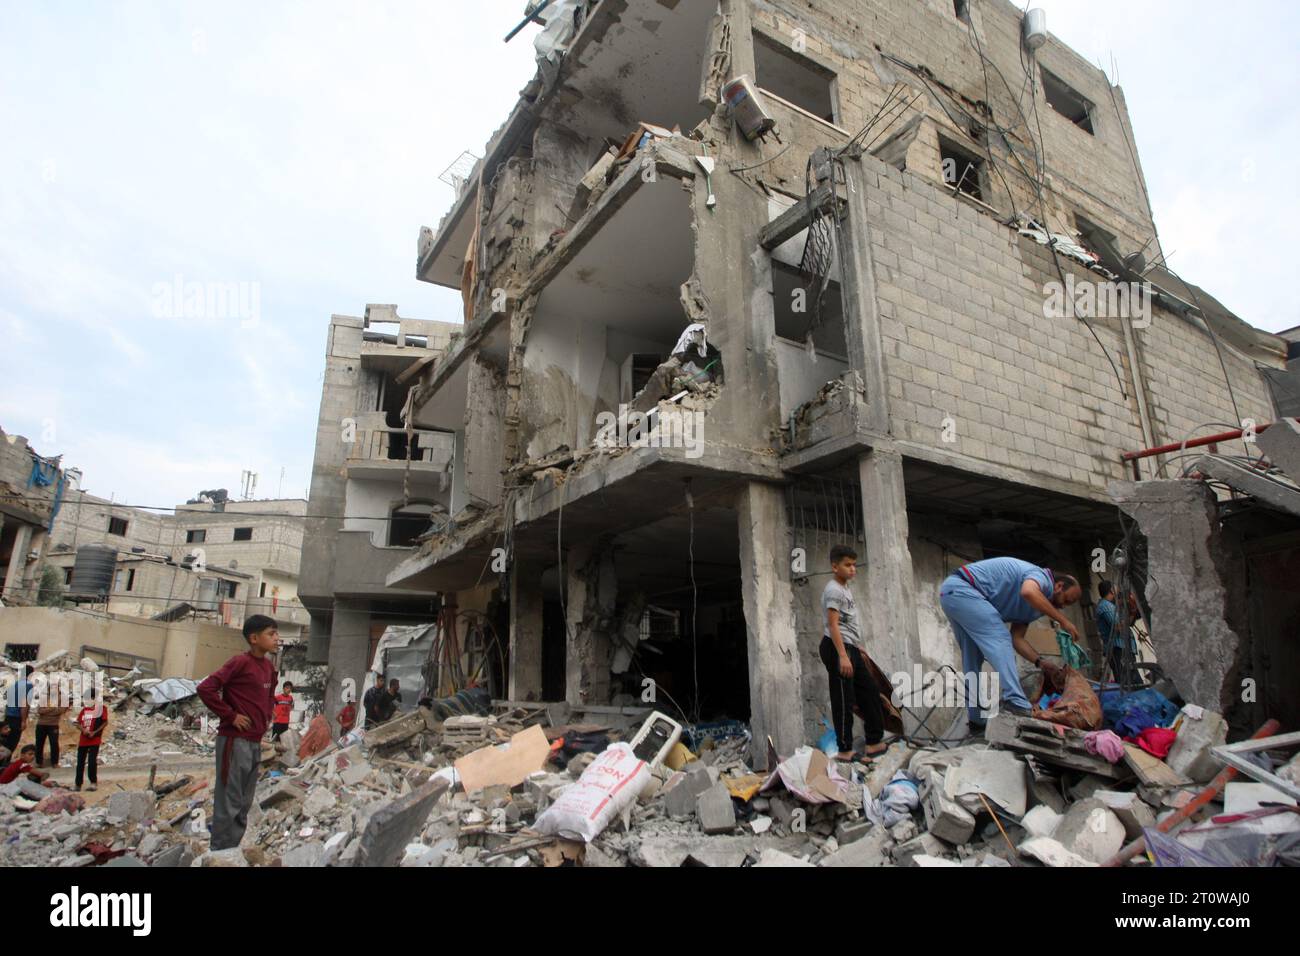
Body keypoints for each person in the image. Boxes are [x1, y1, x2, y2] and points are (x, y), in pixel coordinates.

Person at [940, 556, 1083, 733]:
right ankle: (1016, 701)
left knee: (973, 660)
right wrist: (1064, 622)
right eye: (1067, 600)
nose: (1064, 607)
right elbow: (1028, 592)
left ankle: (976, 720)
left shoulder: (1034, 608)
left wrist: (1041, 662)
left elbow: (1017, 639)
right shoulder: (1042, 578)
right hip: (964, 588)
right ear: (1059, 586)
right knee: (999, 637)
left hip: (952, 594)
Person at [197, 614, 278, 851]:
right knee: (229, 801)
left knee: (244, 803)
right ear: (254, 638)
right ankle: (220, 854)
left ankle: (232, 850)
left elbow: (269, 695)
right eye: (271, 634)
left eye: (276, 634)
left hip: (254, 742)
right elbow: (206, 688)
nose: (276, 639)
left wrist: (266, 718)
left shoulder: (269, 667)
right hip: (234, 741)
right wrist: (231, 716)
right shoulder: (239, 662)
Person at [819, 545, 888, 761]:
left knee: (870, 692)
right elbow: (833, 625)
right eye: (847, 565)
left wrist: (856, 647)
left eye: (854, 565)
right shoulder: (834, 590)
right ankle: (845, 750)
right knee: (843, 700)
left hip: (849, 647)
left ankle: (874, 743)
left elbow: (847, 622)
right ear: (834, 566)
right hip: (836, 647)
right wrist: (842, 655)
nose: (852, 569)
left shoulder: (845, 588)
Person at [72, 689, 108, 791]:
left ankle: (93, 782)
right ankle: (78, 784)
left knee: (92, 762)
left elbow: (105, 722)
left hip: (94, 739)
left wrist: (95, 732)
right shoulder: (84, 710)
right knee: (80, 762)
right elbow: (77, 723)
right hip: (83, 739)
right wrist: (84, 730)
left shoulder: (101, 709)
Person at [3, 664, 32, 754]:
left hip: (8, 716)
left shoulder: (15, 684)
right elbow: (24, 704)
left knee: (5, 741)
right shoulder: (28, 685)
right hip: (16, 718)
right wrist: (23, 721)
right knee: (12, 742)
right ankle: (5, 764)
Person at [34, 695, 69, 769]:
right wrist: (53, 708)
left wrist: (47, 710)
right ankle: (39, 762)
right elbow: (40, 710)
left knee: (54, 743)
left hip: (53, 725)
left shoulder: (62, 699)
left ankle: (55, 763)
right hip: (41, 724)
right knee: (39, 743)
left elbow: (60, 711)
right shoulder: (44, 698)